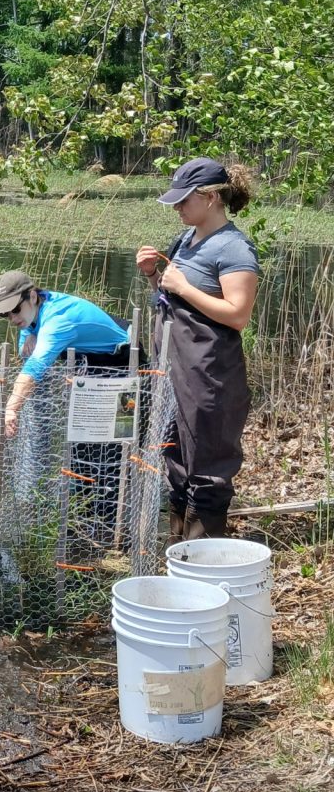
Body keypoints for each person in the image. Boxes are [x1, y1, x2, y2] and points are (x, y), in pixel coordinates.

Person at [137, 157, 259, 540]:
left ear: (209, 198)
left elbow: (238, 315)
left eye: (184, 200)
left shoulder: (234, 248)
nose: (176, 207)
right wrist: (153, 276)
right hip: (175, 374)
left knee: (207, 472)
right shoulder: (185, 241)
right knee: (176, 465)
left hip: (210, 378)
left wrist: (184, 287)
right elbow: (170, 298)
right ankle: (177, 558)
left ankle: (201, 573)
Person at [0, 271, 132, 438]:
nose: (12, 319)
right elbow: (25, 352)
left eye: (15, 309)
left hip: (120, 363)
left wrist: (12, 407)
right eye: (4, 314)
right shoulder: (31, 314)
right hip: (90, 361)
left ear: (33, 296)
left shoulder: (57, 320)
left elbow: (35, 366)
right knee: (81, 439)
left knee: (114, 438)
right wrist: (32, 333)